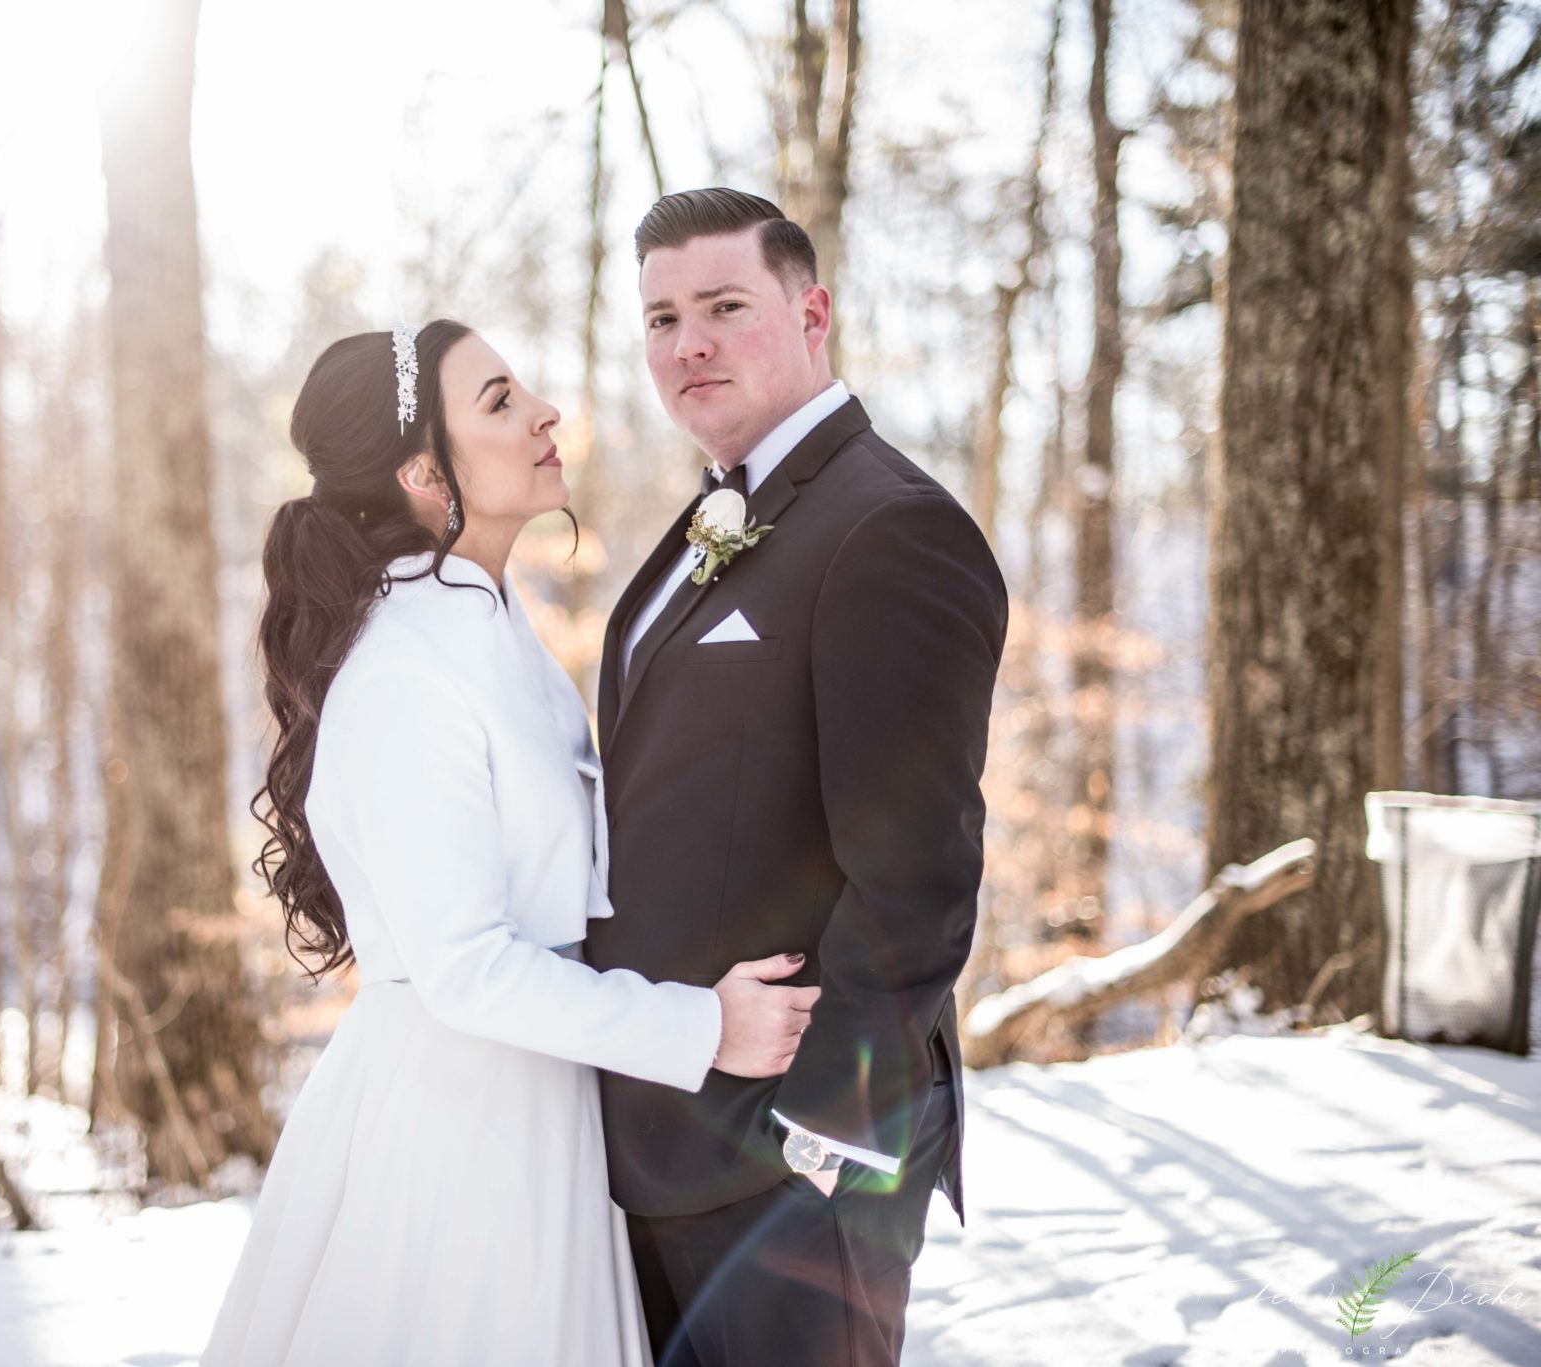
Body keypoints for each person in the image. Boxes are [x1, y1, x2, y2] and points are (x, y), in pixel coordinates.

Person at [201, 319, 819, 1367]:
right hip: (453, 1138)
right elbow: (467, 967)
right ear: (421, 474)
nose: (544, 412)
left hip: (542, 1108)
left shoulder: (489, 624)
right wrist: (701, 1027)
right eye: (498, 401)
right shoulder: (404, 667)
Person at [586, 188, 1010, 1366]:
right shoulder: (711, 519)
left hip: (784, 1172)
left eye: (723, 306)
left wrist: (820, 1137)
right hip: (662, 1132)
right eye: (662, 318)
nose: (689, 343)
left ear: (810, 314)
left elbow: (917, 872)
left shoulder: (889, 528)